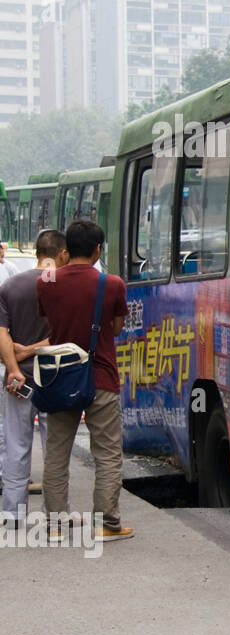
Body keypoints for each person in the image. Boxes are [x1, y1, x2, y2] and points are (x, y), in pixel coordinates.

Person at [35, 219, 131, 542]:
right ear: (97, 250)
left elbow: (50, 321)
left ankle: (56, 525)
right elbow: (116, 329)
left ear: (66, 250)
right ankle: (107, 523)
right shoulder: (112, 284)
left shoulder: (46, 281)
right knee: (106, 453)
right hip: (101, 376)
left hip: (61, 378)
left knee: (57, 452)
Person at [0, 229, 67, 522]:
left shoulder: (10, 285)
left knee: (15, 445)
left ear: (37, 252)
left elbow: (1, 332)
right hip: (55, 378)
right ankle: (53, 513)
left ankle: (13, 512)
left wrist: (14, 367)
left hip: (18, 382)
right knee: (55, 447)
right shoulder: (60, 285)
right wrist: (30, 351)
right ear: (61, 253)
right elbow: (63, 335)